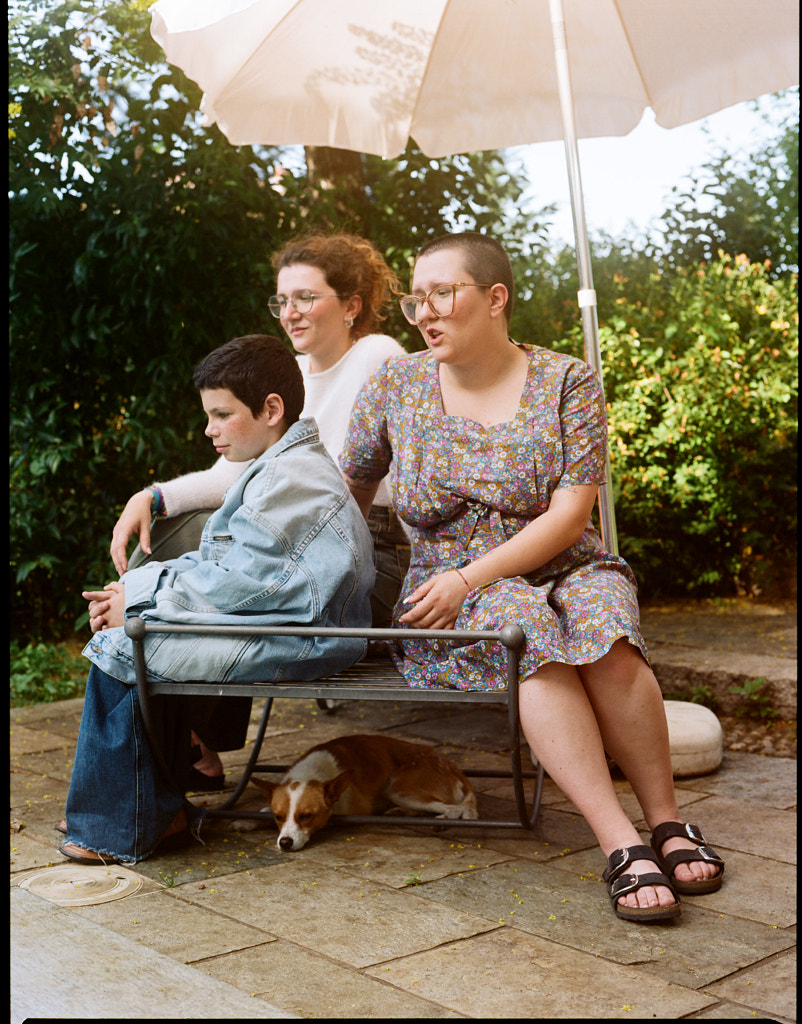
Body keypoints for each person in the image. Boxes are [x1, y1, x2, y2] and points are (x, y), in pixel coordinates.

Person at [339, 231, 725, 924]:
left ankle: (667, 822)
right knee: (527, 633)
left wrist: (472, 575)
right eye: (414, 299)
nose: (424, 312)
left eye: (441, 293)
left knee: (607, 633)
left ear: (495, 298)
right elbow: (347, 495)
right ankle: (619, 842)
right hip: (451, 583)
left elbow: (573, 513)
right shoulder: (394, 385)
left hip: (565, 560)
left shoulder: (568, 382)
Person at [93, 233, 410, 787]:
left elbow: (394, 476)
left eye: (306, 297)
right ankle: (185, 734)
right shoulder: (291, 373)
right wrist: (154, 496)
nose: (290, 311)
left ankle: (183, 729)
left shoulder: (378, 356)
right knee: (185, 534)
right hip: (286, 540)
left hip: (364, 552)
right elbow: (238, 478)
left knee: (213, 559)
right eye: (282, 299)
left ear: (351, 306)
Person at [60, 334, 375, 865]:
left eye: (222, 414)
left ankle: (125, 821)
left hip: (306, 636)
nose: (209, 429)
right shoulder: (280, 466)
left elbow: (243, 585)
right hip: (288, 621)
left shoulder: (290, 479)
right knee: (131, 635)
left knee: (121, 650)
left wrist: (136, 605)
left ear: (271, 409)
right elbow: (223, 570)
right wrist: (131, 593)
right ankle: (141, 807)